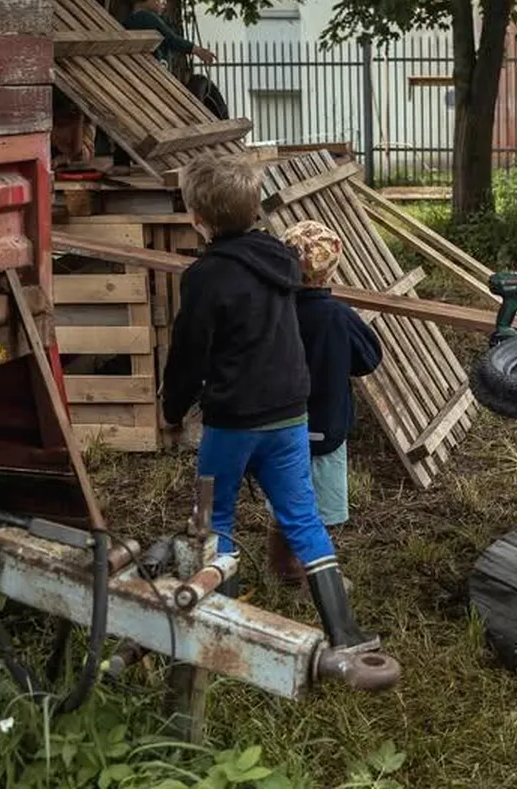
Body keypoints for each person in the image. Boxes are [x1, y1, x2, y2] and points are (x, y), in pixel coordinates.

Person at [160, 154, 383, 659]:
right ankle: (346, 634)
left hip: (234, 419)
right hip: (290, 413)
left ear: (198, 217)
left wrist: (173, 407)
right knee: (303, 514)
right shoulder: (282, 261)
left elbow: (189, 350)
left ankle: (227, 623)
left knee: (214, 515)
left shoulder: (207, 276)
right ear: (254, 207)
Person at [266, 219, 383, 585]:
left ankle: (281, 567)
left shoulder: (271, 312)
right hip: (326, 426)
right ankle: (315, 579)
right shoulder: (337, 316)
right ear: (331, 269)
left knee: (284, 501)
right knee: (319, 511)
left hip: (279, 426)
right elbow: (369, 359)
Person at [121, 0, 217, 67]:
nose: (165, 2)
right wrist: (197, 50)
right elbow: (172, 39)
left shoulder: (131, 20)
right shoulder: (146, 18)